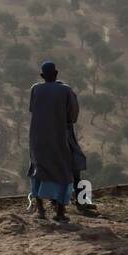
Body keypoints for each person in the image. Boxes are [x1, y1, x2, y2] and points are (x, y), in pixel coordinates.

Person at [28, 60, 79, 222]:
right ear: (56, 74)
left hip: (37, 138)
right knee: (64, 171)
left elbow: (32, 109)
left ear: (42, 76)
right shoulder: (65, 90)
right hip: (58, 137)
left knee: (37, 170)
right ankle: (60, 212)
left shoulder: (35, 89)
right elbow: (73, 116)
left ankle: (41, 210)